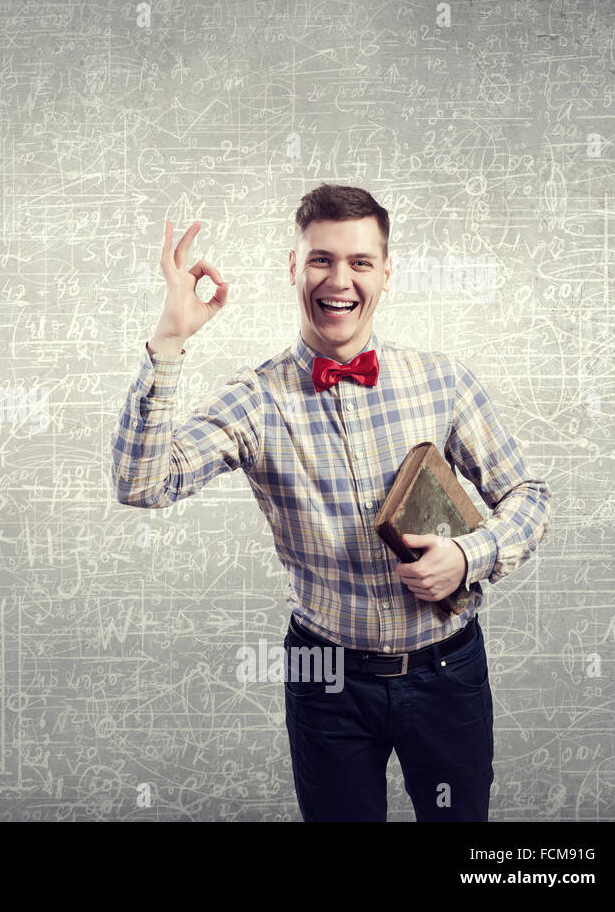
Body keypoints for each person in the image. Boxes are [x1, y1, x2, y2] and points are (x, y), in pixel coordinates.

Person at [109, 183, 552, 821]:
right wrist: (169, 342)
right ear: (294, 267)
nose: (338, 278)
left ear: (385, 273)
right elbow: (141, 483)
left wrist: (467, 554)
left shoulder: (442, 381)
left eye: (359, 262)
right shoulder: (255, 399)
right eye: (320, 259)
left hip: (449, 669)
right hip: (327, 677)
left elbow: (527, 495)